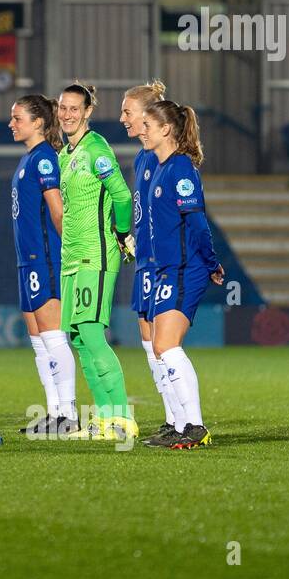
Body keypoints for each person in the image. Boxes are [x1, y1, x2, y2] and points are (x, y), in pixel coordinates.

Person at [140, 100, 224, 449]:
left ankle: (196, 426)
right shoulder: (161, 168)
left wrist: (211, 262)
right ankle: (178, 424)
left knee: (165, 345)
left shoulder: (181, 169)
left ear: (166, 129)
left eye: (148, 125)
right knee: (160, 347)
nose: (142, 131)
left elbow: (198, 223)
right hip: (167, 269)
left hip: (186, 268)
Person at [56, 81, 136, 441]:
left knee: (90, 332)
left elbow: (122, 195)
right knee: (78, 338)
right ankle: (104, 421)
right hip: (71, 258)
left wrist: (122, 233)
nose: (67, 115)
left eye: (75, 108)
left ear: (87, 111)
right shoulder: (64, 154)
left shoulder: (96, 150)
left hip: (95, 254)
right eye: (63, 108)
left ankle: (122, 419)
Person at [8, 94, 77, 436]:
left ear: (37, 122)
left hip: (46, 257)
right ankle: (54, 413)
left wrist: (72, 252)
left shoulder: (45, 158)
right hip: (28, 260)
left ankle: (69, 413)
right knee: (38, 340)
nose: (11, 124)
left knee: (52, 335)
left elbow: (58, 210)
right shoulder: (30, 158)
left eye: (17, 118)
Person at [120, 80, 181, 441]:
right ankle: (173, 418)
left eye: (127, 112)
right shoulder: (143, 156)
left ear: (147, 115)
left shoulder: (167, 158)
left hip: (163, 262)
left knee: (162, 342)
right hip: (145, 258)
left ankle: (183, 420)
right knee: (148, 339)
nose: (123, 118)